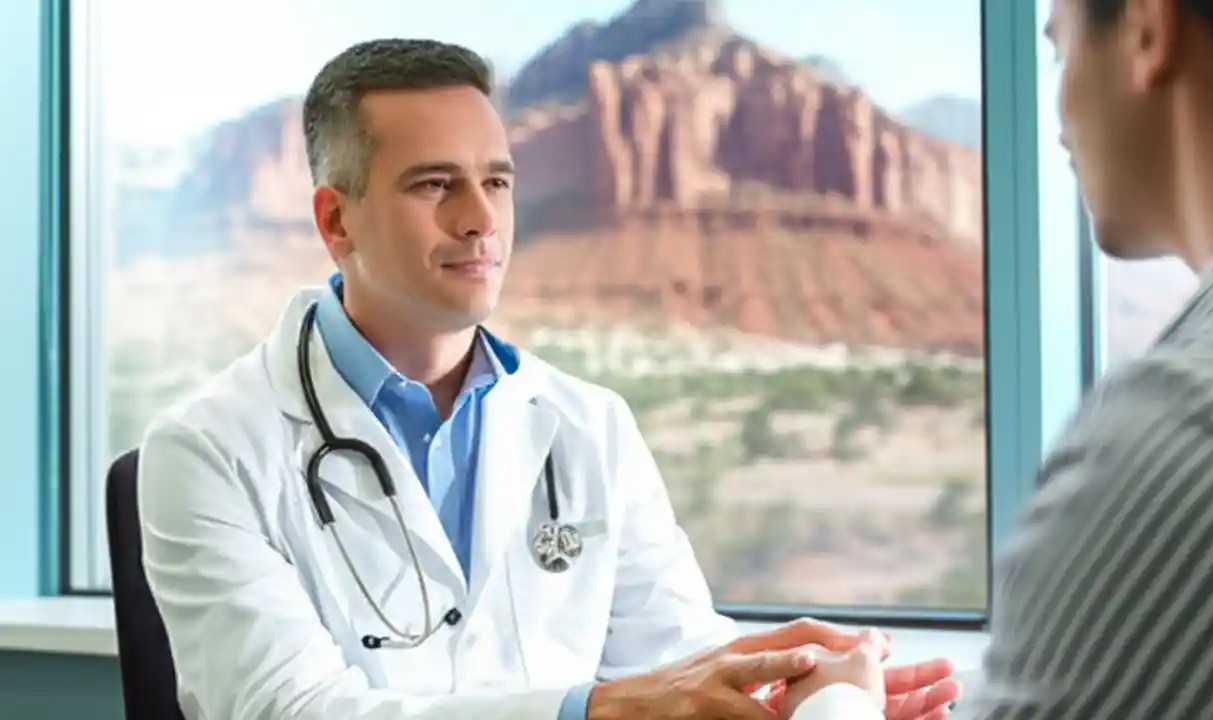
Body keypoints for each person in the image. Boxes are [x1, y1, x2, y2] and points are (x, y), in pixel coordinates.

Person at [136, 38, 959, 720]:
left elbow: (673, 662)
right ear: (335, 218)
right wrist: (595, 710)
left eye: (497, 180)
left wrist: (787, 695)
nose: (481, 219)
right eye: (435, 185)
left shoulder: (588, 425)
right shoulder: (208, 452)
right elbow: (293, 709)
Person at [786, 0, 1213, 717]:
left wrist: (832, 709)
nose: (1057, 119)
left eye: (1059, 52)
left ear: (1147, 28)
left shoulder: (1198, 440)